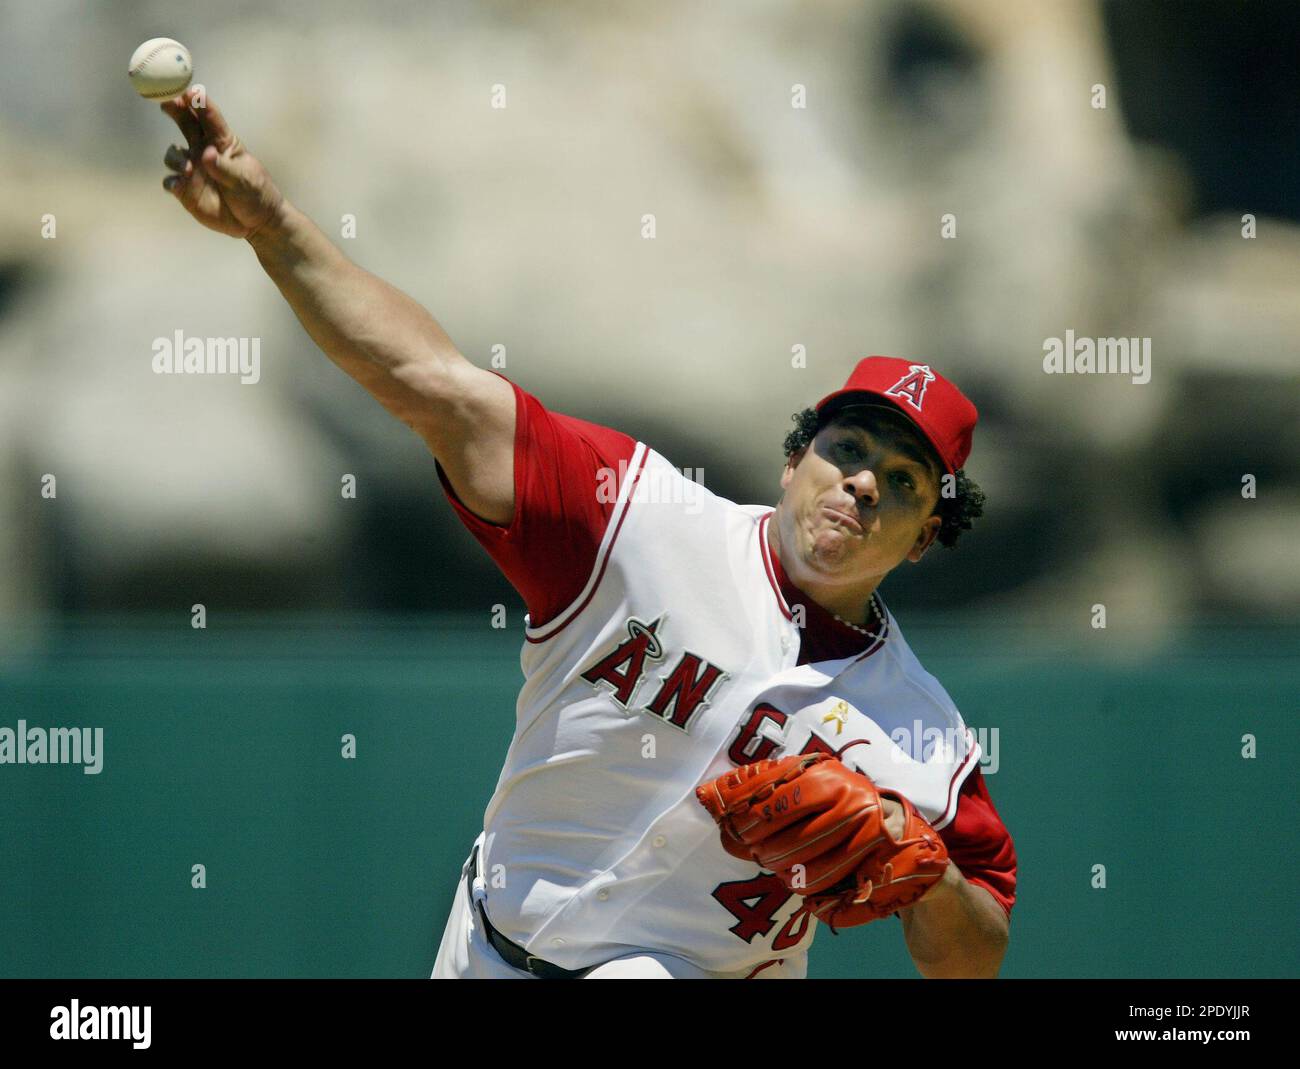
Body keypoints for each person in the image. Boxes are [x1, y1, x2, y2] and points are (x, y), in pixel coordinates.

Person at [158, 87, 1016, 980]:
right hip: (481, 947)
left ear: (925, 536)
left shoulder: (923, 734)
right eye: (847, 447)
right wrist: (274, 226)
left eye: (906, 479)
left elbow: (974, 953)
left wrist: (924, 875)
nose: (865, 480)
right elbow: (431, 383)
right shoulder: (639, 520)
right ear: (793, 460)